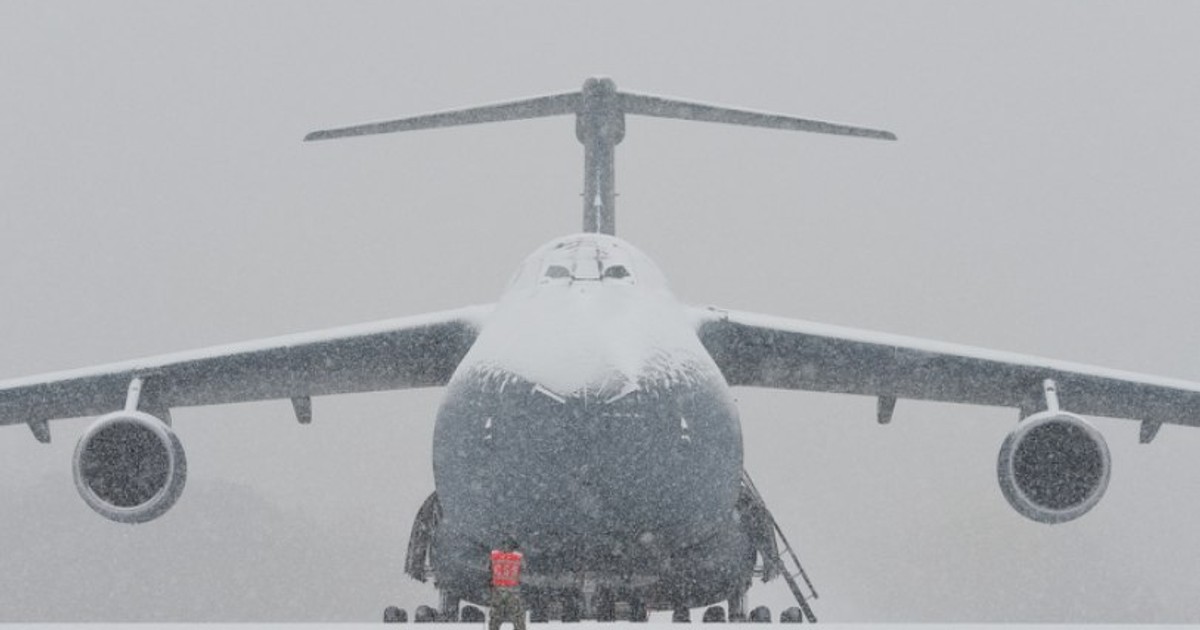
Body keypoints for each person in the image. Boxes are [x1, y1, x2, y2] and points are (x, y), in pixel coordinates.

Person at [488, 538, 526, 630]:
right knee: (518, 617)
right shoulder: (518, 557)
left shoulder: (494, 555)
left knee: (495, 616)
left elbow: (489, 570)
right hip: (513, 590)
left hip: (497, 590)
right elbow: (523, 570)